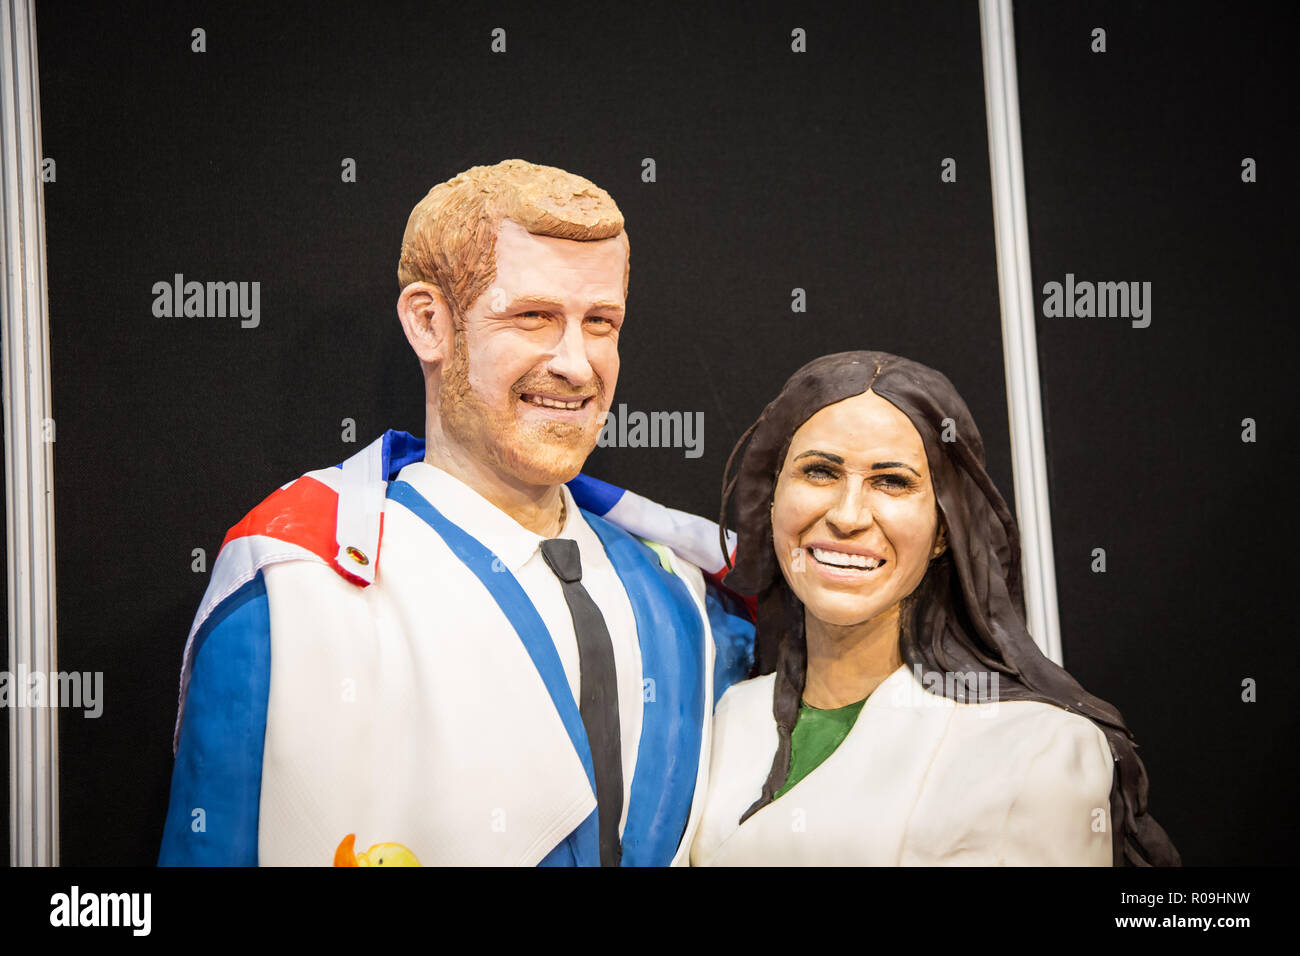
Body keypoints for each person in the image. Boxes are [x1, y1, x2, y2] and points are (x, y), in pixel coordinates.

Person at [158, 159, 753, 866]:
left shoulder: (681, 593)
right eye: (533, 316)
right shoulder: (293, 585)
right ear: (429, 323)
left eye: (601, 322)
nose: (576, 363)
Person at [690, 351, 1180, 866]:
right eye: (819, 472)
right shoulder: (716, 719)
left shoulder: (1035, 749)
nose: (848, 515)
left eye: (892, 482)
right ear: (771, 500)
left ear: (944, 529)